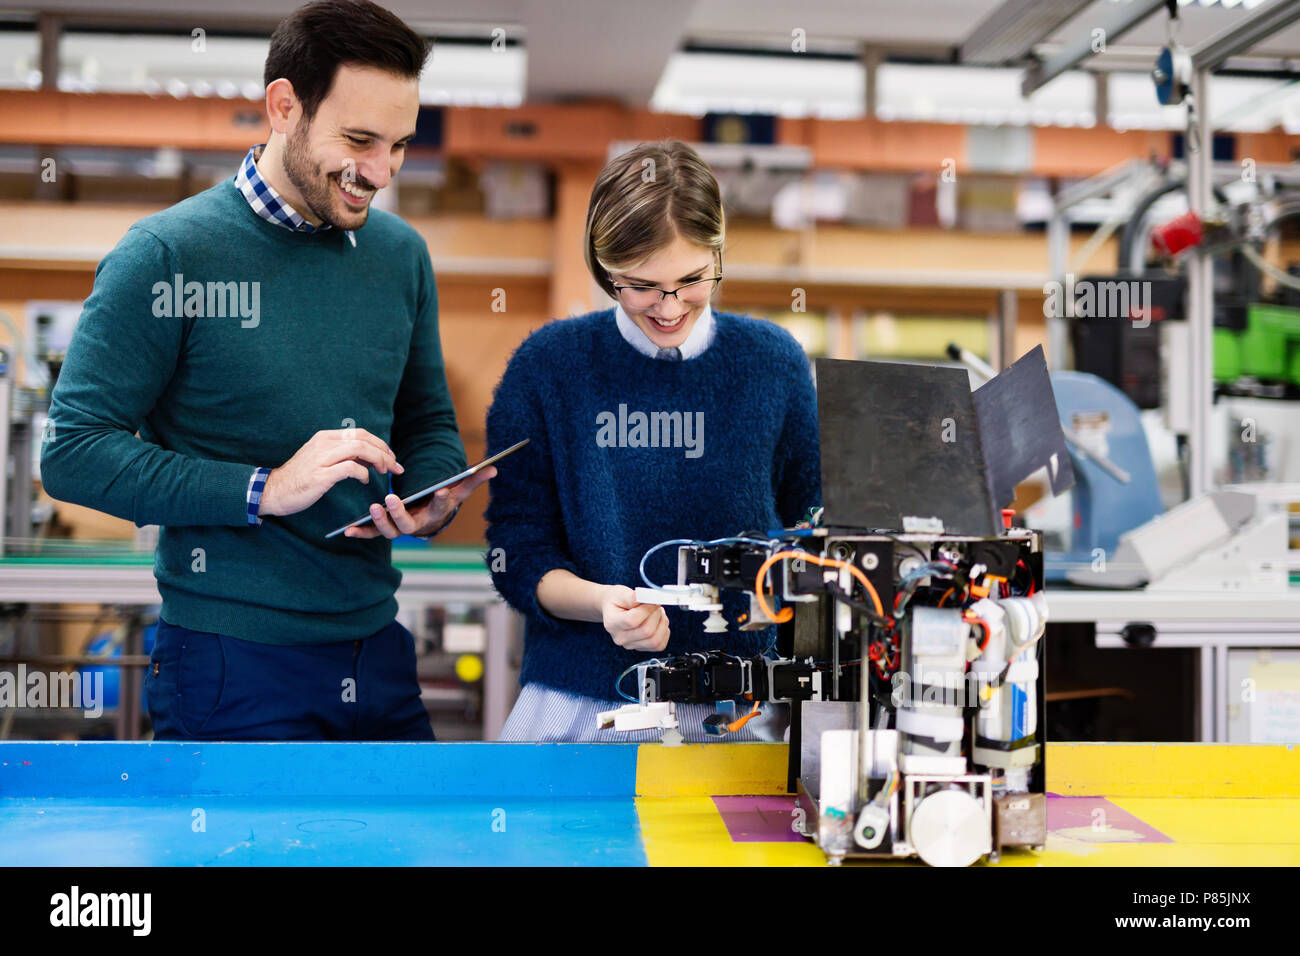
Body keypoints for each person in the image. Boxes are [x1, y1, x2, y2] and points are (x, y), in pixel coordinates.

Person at [40, 0, 492, 741]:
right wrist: (266, 490)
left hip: (377, 647)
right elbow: (73, 453)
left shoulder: (400, 257)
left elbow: (425, 420)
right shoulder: (167, 256)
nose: (379, 172)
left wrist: (432, 492)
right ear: (284, 107)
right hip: (229, 661)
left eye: (401, 145)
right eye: (359, 140)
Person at [485, 140, 820, 742]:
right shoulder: (548, 367)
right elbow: (516, 555)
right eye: (640, 286)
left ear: (719, 253)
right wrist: (602, 604)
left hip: (741, 713)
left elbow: (811, 535)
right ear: (604, 270)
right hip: (581, 707)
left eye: (692, 280)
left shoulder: (775, 365)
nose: (669, 308)